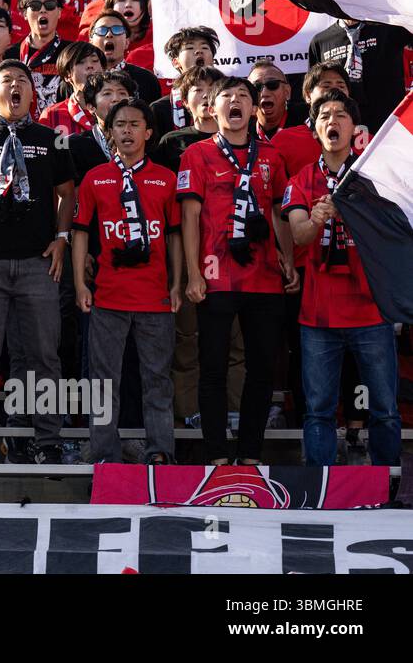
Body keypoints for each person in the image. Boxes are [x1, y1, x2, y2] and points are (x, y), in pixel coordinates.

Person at [0, 59, 75, 465]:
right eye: (7, 80)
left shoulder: (51, 137)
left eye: (23, 80)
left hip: (38, 262)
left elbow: (67, 192)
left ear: (32, 93)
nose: (15, 86)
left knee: (44, 354)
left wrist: (61, 239)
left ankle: (49, 439)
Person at [179, 76, 297, 465]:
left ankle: (248, 453)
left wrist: (288, 258)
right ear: (213, 109)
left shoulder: (271, 156)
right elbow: (189, 215)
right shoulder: (196, 154)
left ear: (253, 109)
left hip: (263, 276)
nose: (235, 102)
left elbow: (280, 211)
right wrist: (194, 274)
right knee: (212, 366)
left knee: (261, 368)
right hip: (216, 274)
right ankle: (215, 453)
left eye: (243, 96)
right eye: (227, 96)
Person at [283, 90, 401, 467]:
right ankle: (320, 489)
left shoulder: (373, 179)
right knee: (318, 410)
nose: (332, 121)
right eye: (324, 117)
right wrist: (316, 219)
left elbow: (394, 234)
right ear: (315, 129)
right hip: (318, 316)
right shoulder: (302, 179)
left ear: (355, 127)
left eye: (340, 115)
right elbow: (297, 235)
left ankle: (388, 482)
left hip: (371, 311)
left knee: (383, 408)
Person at [73, 98, 182, 464]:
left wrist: (177, 282)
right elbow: (81, 233)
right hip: (108, 298)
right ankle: (104, 452)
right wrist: (80, 285)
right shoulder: (95, 178)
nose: (127, 130)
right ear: (110, 131)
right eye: (120, 124)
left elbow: (175, 235)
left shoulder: (166, 178)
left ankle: (160, 451)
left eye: (135, 124)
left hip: (155, 299)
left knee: (157, 380)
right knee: (104, 384)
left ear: (149, 133)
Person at [308, 17, 413, 130]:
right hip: (343, 128)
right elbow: (313, 88)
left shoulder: (390, 28)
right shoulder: (320, 41)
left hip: (388, 124)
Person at [14, 0, 66, 114]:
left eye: (49, 5)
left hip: (61, 126)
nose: (43, 10)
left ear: (59, 12)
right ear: (25, 13)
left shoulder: (73, 53)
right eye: (35, 5)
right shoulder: (11, 55)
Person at [38, 41, 104, 136]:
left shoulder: (117, 110)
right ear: (67, 75)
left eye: (95, 61)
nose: (90, 66)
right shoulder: (52, 115)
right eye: (81, 62)